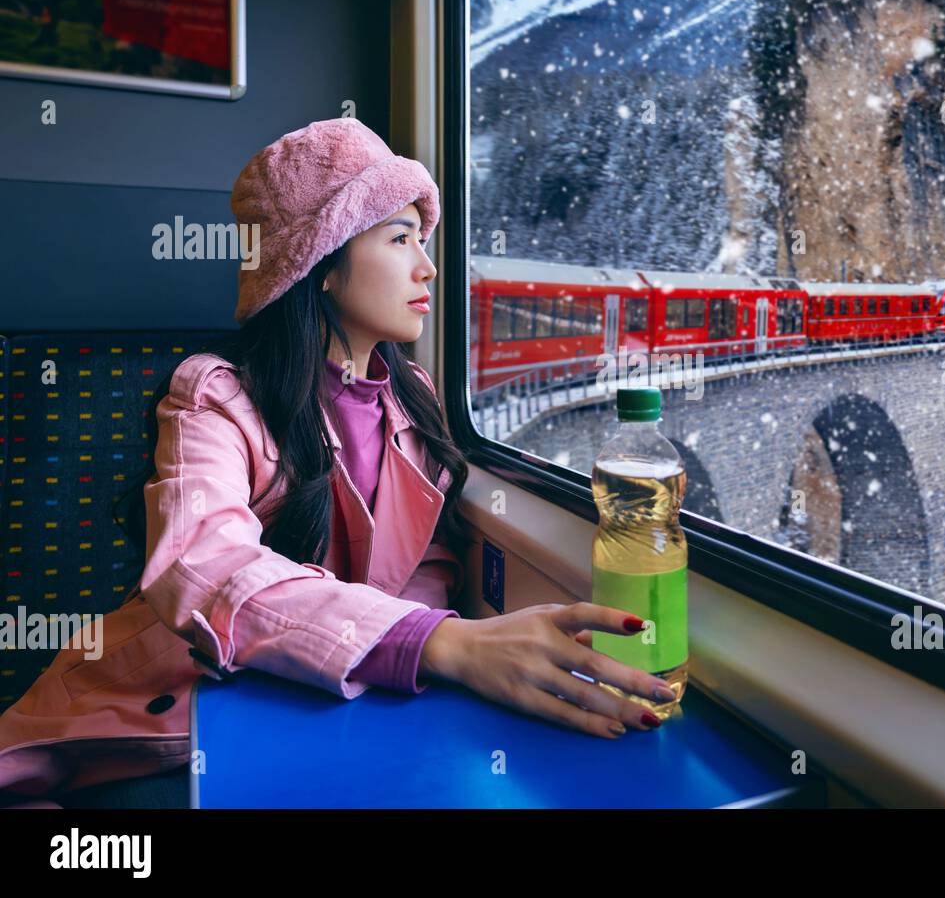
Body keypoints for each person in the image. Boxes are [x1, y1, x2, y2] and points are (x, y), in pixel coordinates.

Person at [0, 118, 674, 809]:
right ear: (319, 264)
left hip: (322, 705)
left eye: (423, 238)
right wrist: (437, 645)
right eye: (399, 238)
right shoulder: (211, 396)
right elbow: (204, 568)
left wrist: (426, 649)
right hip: (160, 718)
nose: (428, 267)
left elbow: (426, 567)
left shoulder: (417, 402)